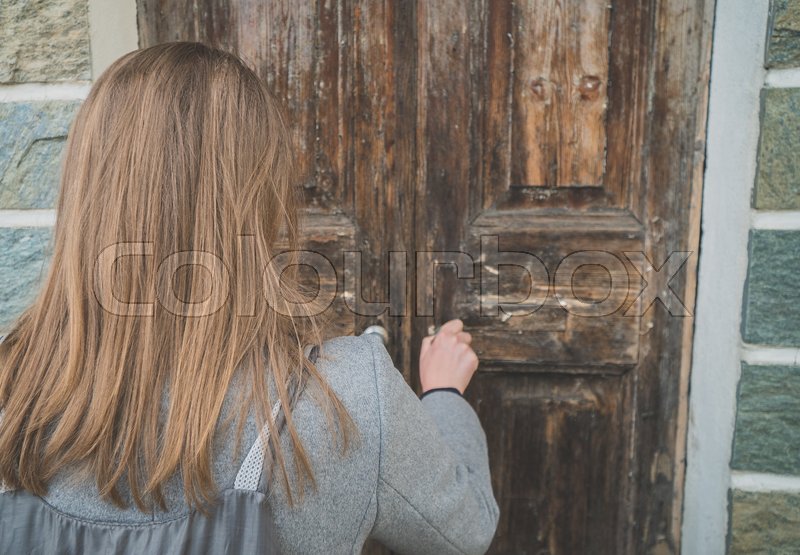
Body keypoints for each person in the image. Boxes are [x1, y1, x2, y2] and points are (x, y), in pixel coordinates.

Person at [0, 42, 499, 554]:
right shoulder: (344, 398)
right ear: (260, 193)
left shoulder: (15, 390)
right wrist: (444, 395)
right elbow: (465, 533)